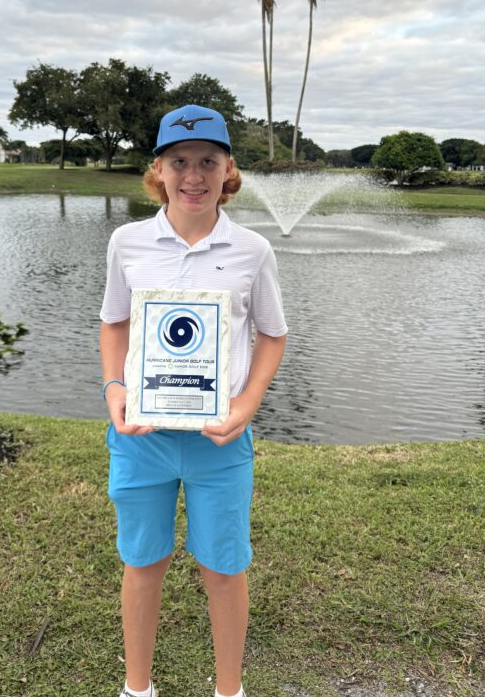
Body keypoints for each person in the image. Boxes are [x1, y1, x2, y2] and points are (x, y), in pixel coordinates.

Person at [100, 104, 287, 697]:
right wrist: (115, 389)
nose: (193, 176)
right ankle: (138, 689)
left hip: (219, 441)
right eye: (179, 161)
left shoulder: (252, 249)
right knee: (142, 563)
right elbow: (113, 324)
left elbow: (273, 335)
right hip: (142, 439)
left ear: (228, 169)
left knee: (224, 568)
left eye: (208, 161)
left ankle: (229, 691)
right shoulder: (127, 242)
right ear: (159, 169)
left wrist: (248, 403)